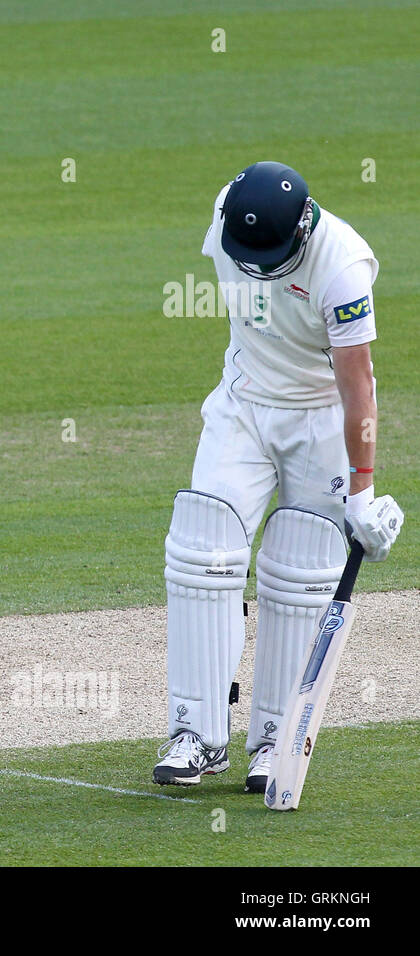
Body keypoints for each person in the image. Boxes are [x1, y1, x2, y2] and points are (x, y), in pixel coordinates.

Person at [155, 161, 403, 790]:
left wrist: (363, 489)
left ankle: (274, 741)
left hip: (319, 419)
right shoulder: (227, 211)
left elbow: (359, 383)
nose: (256, 266)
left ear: (300, 232)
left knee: (301, 574)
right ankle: (196, 733)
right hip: (243, 401)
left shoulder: (342, 266)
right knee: (201, 550)